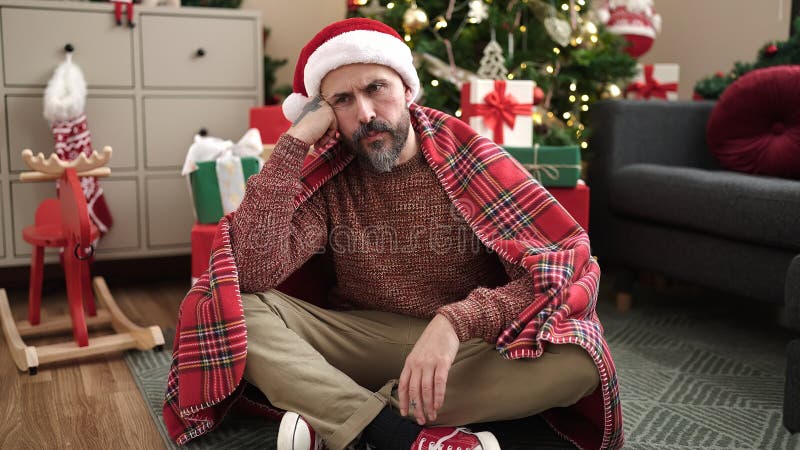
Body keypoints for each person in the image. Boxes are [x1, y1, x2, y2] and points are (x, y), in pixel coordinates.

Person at [163, 17, 623, 450]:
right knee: (230, 304)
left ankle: (334, 416)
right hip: (362, 338)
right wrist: (295, 142)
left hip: (464, 348)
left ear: (406, 89)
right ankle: (396, 434)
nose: (364, 113)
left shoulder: (470, 158)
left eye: (375, 88)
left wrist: (454, 322)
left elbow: (559, 270)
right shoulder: (330, 177)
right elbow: (254, 269)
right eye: (342, 100)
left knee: (582, 359)